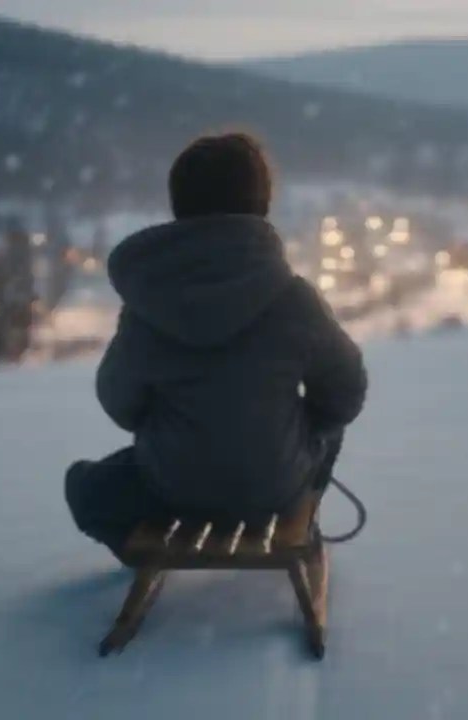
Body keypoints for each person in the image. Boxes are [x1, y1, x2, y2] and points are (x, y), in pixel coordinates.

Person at [65, 133, 368, 562]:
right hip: (276, 488)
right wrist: (299, 430)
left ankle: (151, 552)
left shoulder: (148, 306)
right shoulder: (293, 299)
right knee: (329, 431)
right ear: (261, 203)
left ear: (179, 205)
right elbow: (345, 391)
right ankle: (294, 523)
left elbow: (119, 404)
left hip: (173, 490)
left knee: (85, 487)